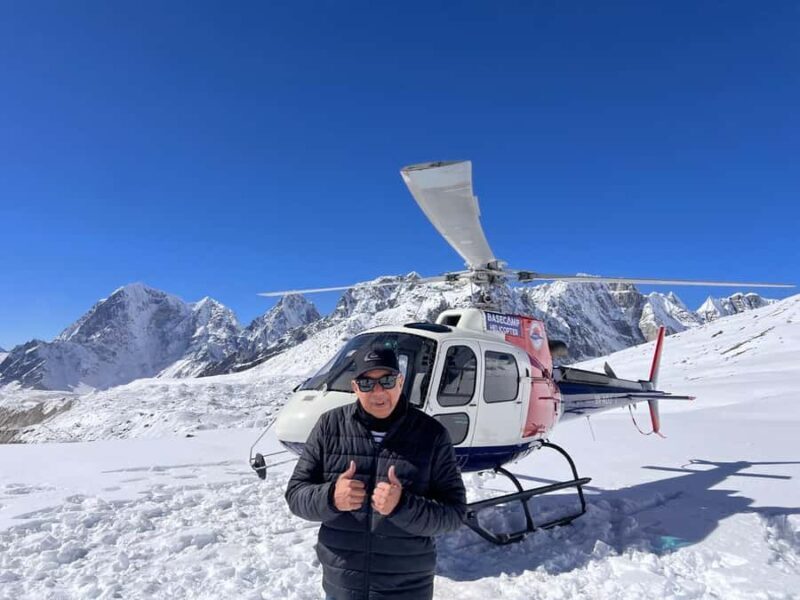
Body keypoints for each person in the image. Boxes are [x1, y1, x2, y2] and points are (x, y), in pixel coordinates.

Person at [285, 346, 467, 599]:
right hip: (342, 586)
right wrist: (331, 497)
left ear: (400, 382)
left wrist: (402, 505)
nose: (378, 391)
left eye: (387, 380)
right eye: (367, 383)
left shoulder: (432, 434)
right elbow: (295, 495)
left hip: (406, 588)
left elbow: (454, 514)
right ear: (355, 387)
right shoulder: (329, 426)